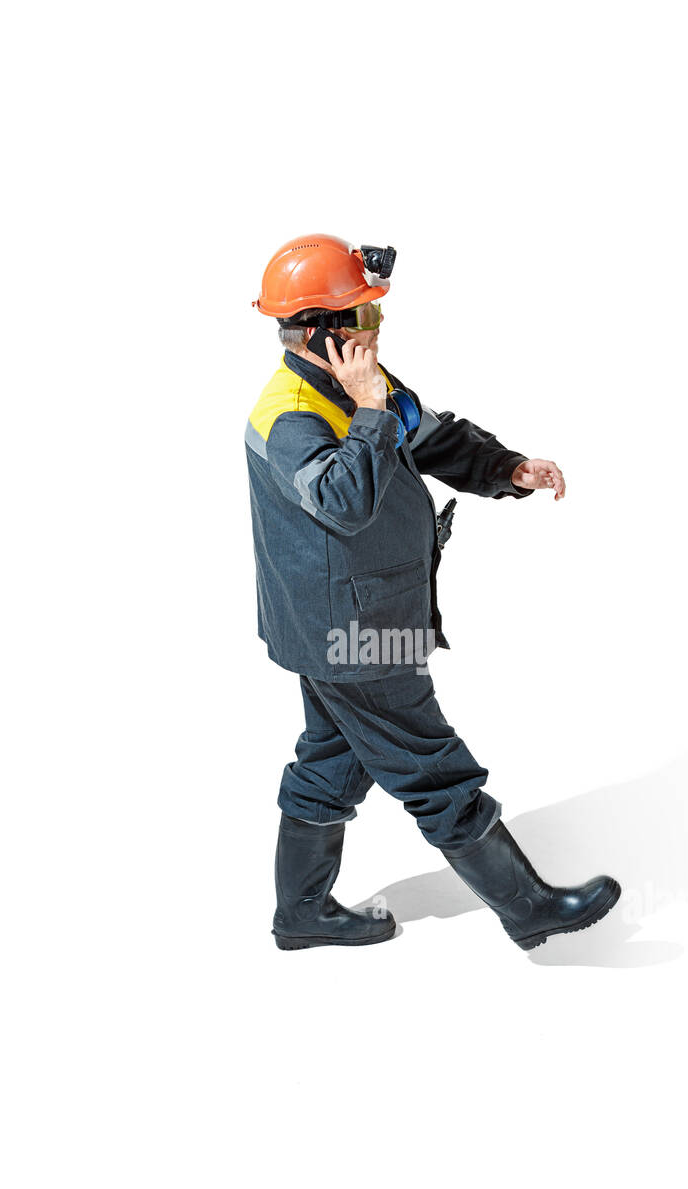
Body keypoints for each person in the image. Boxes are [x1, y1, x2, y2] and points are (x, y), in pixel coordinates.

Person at [245, 233, 620, 951]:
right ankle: (529, 907)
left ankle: (300, 914)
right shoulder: (289, 414)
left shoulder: (356, 386)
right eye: (364, 314)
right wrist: (369, 412)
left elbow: (428, 436)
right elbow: (343, 498)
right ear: (325, 330)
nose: (377, 326)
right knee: (432, 766)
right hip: (351, 633)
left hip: (339, 625)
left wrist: (507, 469)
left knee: (330, 762)